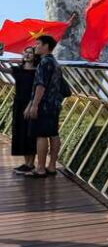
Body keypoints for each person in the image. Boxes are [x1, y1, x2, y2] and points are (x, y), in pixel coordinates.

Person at [24, 34, 65, 178]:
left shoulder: (44, 62)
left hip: (44, 105)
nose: (35, 46)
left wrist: (34, 105)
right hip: (55, 104)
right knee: (54, 134)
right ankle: (52, 166)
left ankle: (40, 168)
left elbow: (40, 85)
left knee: (41, 135)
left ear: (46, 46)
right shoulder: (55, 62)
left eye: (38, 44)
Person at [9, 46, 38, 173]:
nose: (27, 54)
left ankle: (31, 164)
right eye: (25, 52)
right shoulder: (18, 69)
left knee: (30, 133)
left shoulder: (37, 72)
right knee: (20, 132)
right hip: (19, 104)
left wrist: (32, 105)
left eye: (30, 53)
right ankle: (27, 163)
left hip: (31, 104)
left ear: (35, 56)